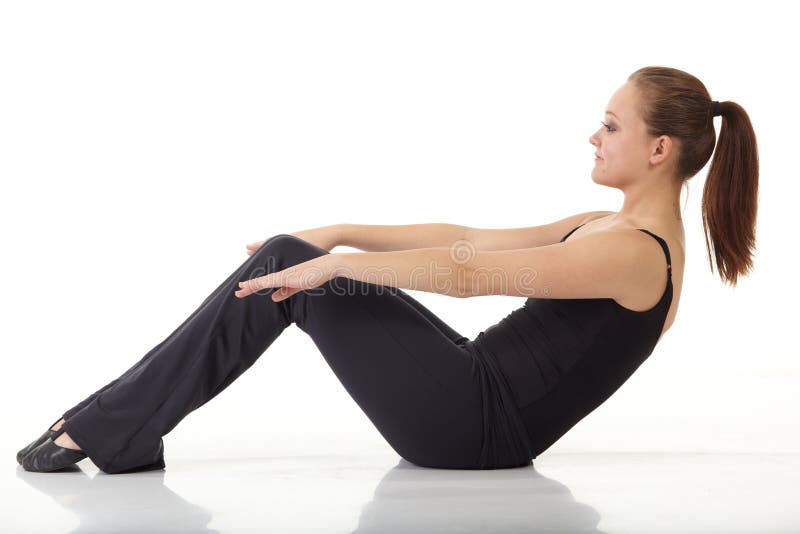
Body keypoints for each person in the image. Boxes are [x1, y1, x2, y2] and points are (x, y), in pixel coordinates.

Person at [18, 65, 759, 473]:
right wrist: (339, 236)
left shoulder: (632, 253)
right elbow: (471, 236)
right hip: (472, 396)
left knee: (290, 265)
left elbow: (472, 274)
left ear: (661, 149)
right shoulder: (606, 225)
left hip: (473, 431)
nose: (592, 136)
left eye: (612, 124)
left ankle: (111, 427)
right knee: (294, 256)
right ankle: (118, 425)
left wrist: (335, 267)